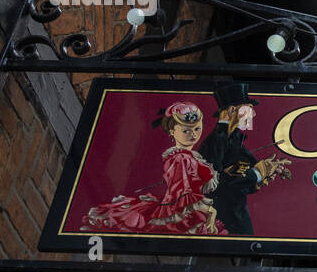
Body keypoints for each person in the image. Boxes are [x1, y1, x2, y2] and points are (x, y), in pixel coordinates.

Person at [82, 101, 224, 235]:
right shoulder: (180, 159)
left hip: (188, 210)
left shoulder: (191, 156)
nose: (193, 134)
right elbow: (181, 195)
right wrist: (210, 212)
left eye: (197, 128)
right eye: (186, 131)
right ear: (172, 131)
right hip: (180, 211)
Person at [199, 82, 291, 236]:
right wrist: (257, 174)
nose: (253, 114)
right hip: (223, 220)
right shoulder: (217, 141)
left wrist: (263, 175)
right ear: (232, 110)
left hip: (237, 213)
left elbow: (240, 175)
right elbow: (216, 187)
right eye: (249, 109)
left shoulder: (234, 137)